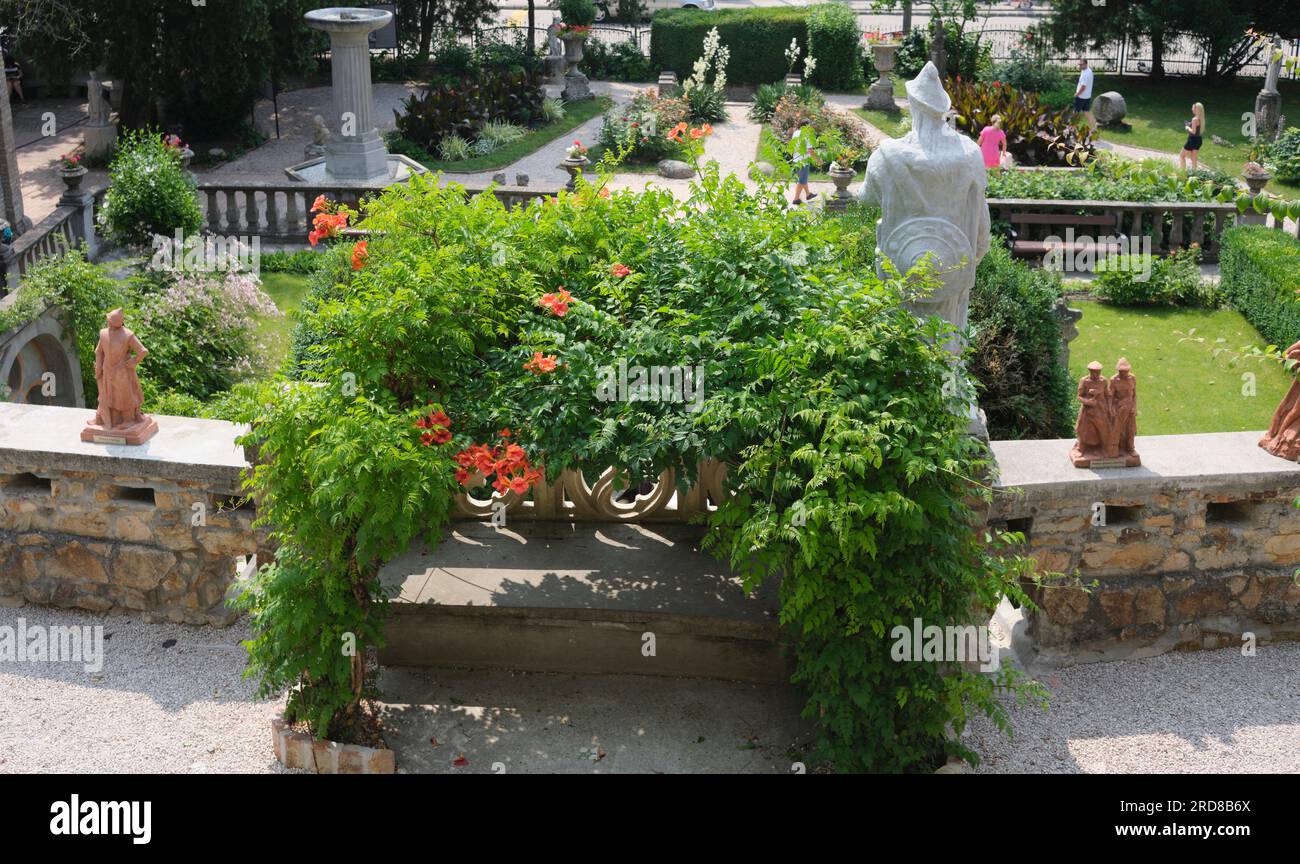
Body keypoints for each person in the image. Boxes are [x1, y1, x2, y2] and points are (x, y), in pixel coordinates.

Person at [788, 119, 818, 206]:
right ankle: (796, 199)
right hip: (803, 161)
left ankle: (808, 194)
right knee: (802, 181)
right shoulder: (806, 135)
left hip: (796, 160)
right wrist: (818, 160)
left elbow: (793, 146)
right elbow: (810, 150)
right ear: (806, 126)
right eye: (809, 126)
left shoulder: (796, 133)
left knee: (803, 179)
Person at [1179, 102, 1206, 171]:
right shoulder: (1201, 118)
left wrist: (1187, 128)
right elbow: (1197, 129)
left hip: (1192, 140)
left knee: (1182, 156)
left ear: (1196, 109)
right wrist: (1189, 124)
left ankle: (1182, 172)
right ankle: (1194, 174)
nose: (1192, 109)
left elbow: (1193, 132)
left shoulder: (1194, 119)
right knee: (1194, 159)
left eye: (1193, 107)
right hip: (1198, 140)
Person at [1073, 58, 1094, 132]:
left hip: (1081, 97)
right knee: (1087, 112)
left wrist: (1077, 94)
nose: (1080, 66)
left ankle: (1073, 129)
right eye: (1079, 64)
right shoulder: (1088, 71)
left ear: (1086, 64)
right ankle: (1094, 129)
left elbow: (1083, 87)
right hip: (1087, 96)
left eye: (1081, 65)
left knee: (1075, 113)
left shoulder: (1086, 74)